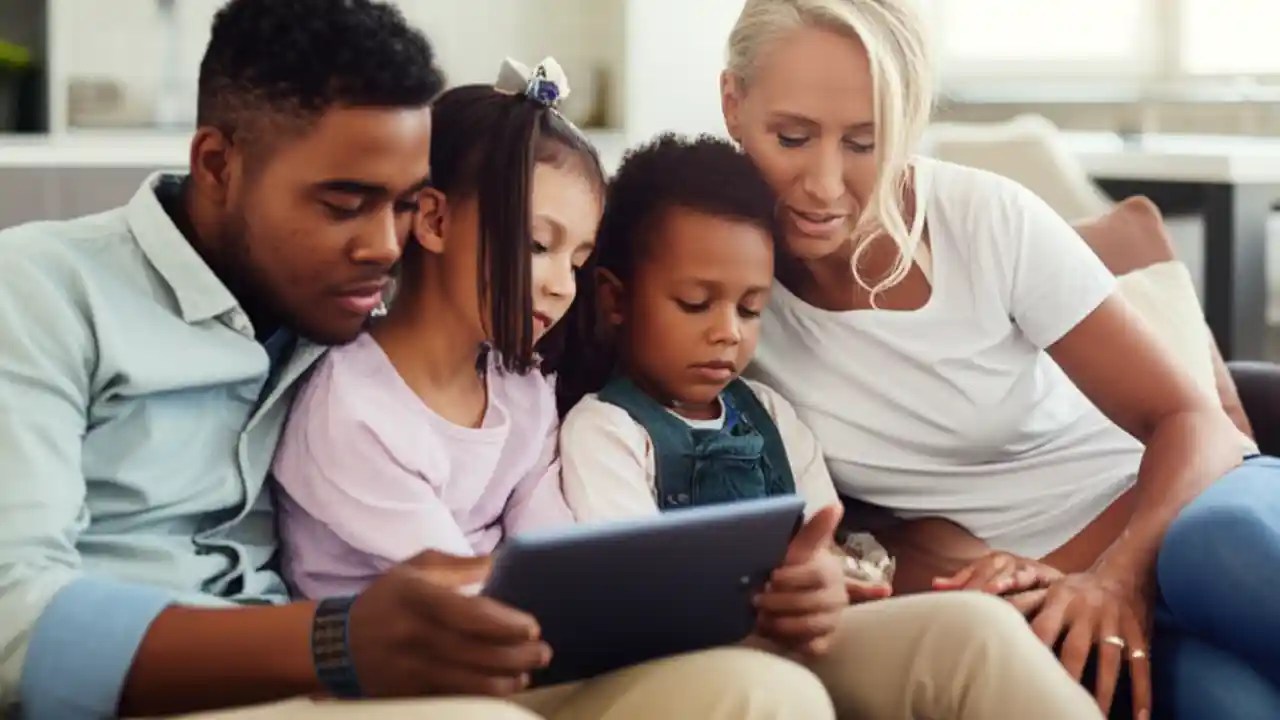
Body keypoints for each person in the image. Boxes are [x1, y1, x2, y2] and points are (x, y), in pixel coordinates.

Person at [0, 2, 837, 719]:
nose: (385, 243)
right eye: (342, 203)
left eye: (406, 205)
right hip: (213, 683)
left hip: (357, 671)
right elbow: (15, 624)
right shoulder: (40, 291)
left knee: (761, 693)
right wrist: (330, 638)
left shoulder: (347, 314)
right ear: (218, 164)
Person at [717, 0, 1280, 718]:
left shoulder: (981, 220)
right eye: (792, 137)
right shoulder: (713, 289)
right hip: (1056, 602)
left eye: (865, 143)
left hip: (1189, 516)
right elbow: (846, 526)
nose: (825, 184)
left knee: (1220, 551)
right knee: (1226, 704)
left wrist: (1118, 578)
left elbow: (1191, 418)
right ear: (733, 102)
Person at [556, 131, 1106, 720]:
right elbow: (634, 594)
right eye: (695, 303)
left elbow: (830, 543)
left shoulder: (770, 413)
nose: (728, 332)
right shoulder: (605, 431)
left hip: (815, 638)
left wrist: (828, 578)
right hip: (698, 664)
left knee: (980, 627)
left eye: (749, 309)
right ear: (616, 302)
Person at [271, 69, 600, 600]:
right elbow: (458, 592)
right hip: (397, 668)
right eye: (539, 246)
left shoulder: (522, 389)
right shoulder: (353, 409)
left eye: (578, 262)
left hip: (513, 638)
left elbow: (555, 548)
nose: (563, 287)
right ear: (436, 222)